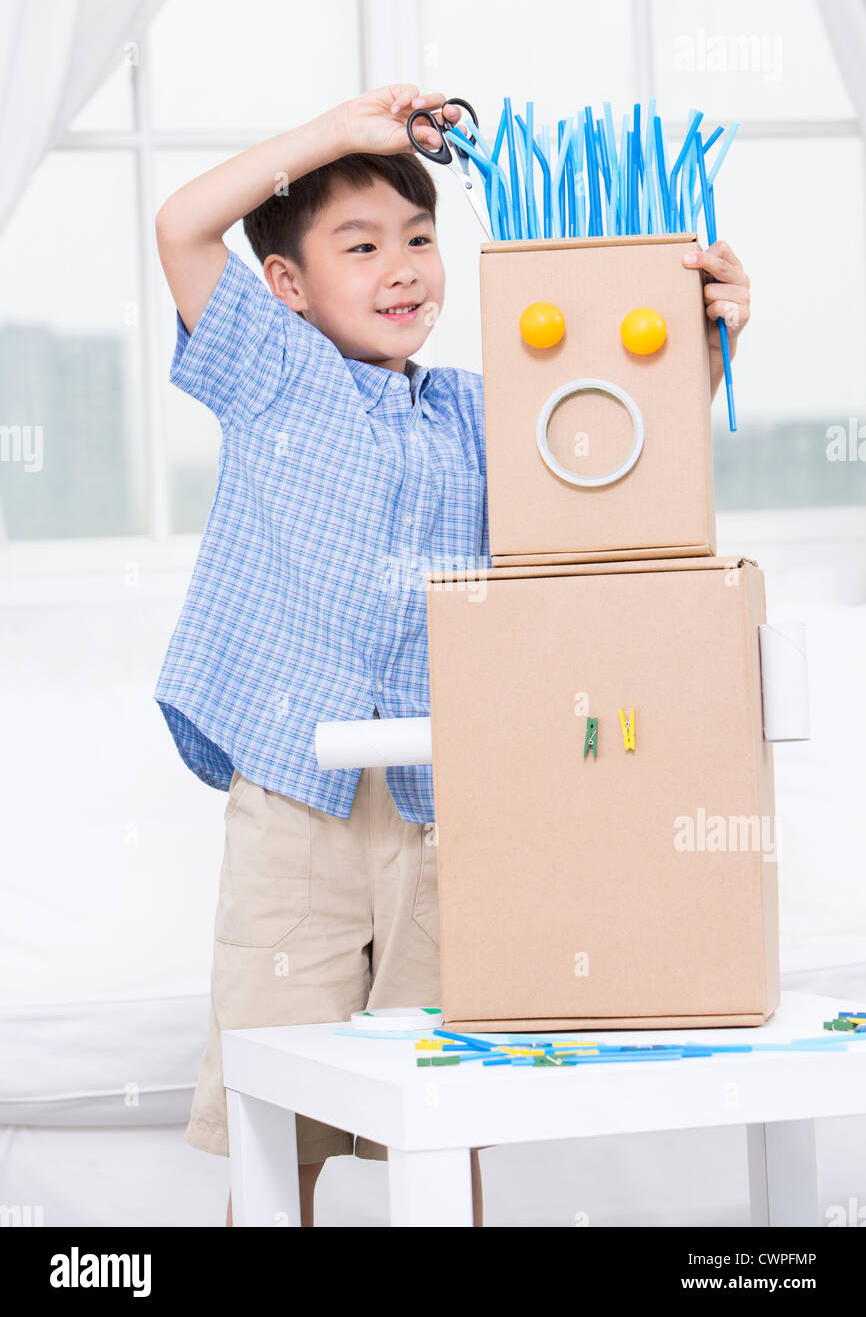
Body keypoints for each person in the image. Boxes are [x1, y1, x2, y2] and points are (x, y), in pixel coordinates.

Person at [153, 84, 751, 1228]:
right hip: (295, 804)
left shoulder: (481, 411)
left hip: (448, 810)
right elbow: (183, 224)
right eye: (362, 245)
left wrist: (708, 341)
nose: (403, 266)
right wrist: (339, 132)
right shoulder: (268, 369)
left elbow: (617, 457)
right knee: (279, 1131)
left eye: (420, 239)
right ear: (285, 285)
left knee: (443, 1106)